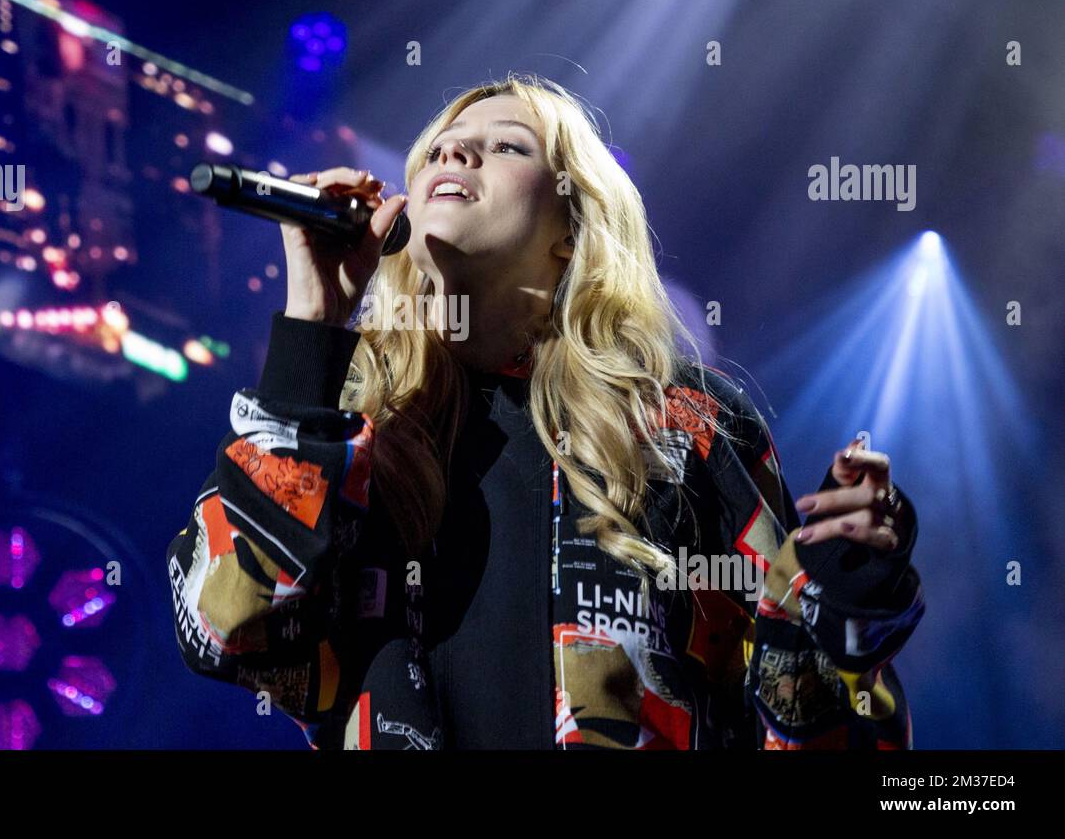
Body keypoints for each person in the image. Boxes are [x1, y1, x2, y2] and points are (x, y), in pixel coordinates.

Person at [166, 71, 925, 750]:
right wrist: (312, 333)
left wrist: (848, 594)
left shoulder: (683, 424)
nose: (453, 157)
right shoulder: (353, 434)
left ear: (571, 230)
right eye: (437, 150)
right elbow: (222, 628)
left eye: (505, 146)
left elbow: (798, 716)